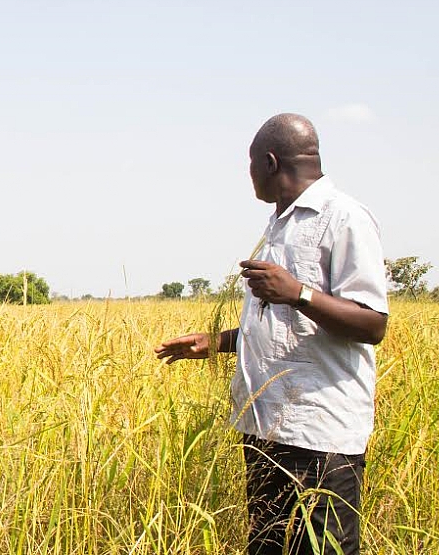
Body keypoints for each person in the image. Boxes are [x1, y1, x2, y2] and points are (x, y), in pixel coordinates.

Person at [155, 113, 389, 555]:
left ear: (268, 162)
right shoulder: (281, 224)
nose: (249, 178)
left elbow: (372, 323)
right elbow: (281, 329)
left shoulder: (344, 218)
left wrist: (297, 292)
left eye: (249, 166)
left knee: (322, 548)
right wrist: (216, 342)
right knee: (265, 544)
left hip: (320, 435)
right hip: (266, 427)